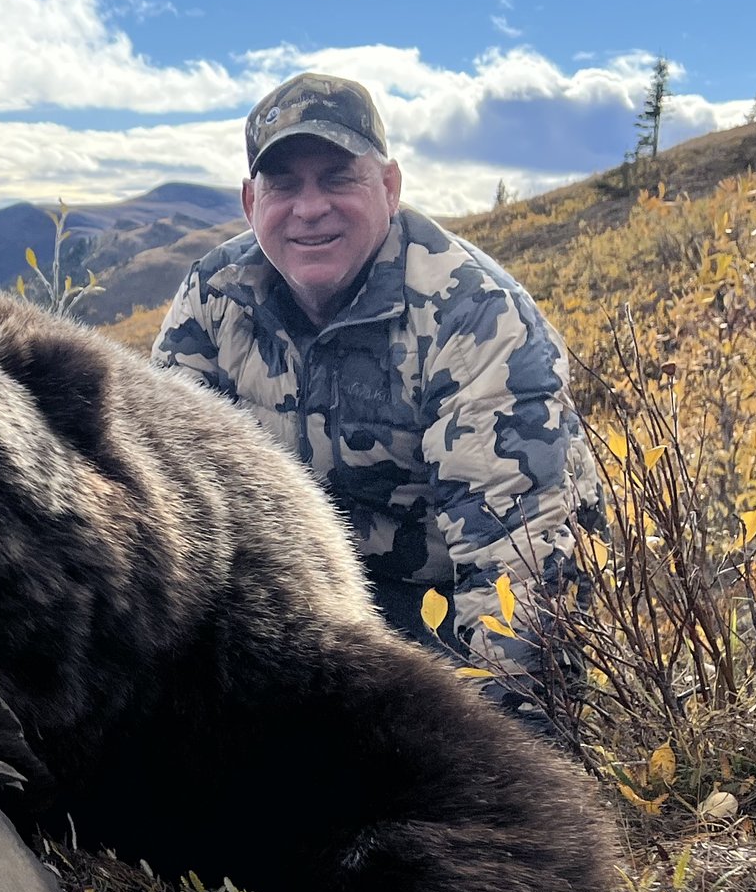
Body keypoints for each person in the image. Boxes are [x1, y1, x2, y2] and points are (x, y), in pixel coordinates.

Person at [153, 71, 598, 730]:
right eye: (284, 185)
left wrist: (504, 768)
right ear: (251, 201)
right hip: (309, 595)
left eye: (338, 177)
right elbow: (163, 500)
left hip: (447, 602)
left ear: (388, 187)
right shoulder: (215, 297)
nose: (310, 208)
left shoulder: (473, 316)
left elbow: (521, 565)